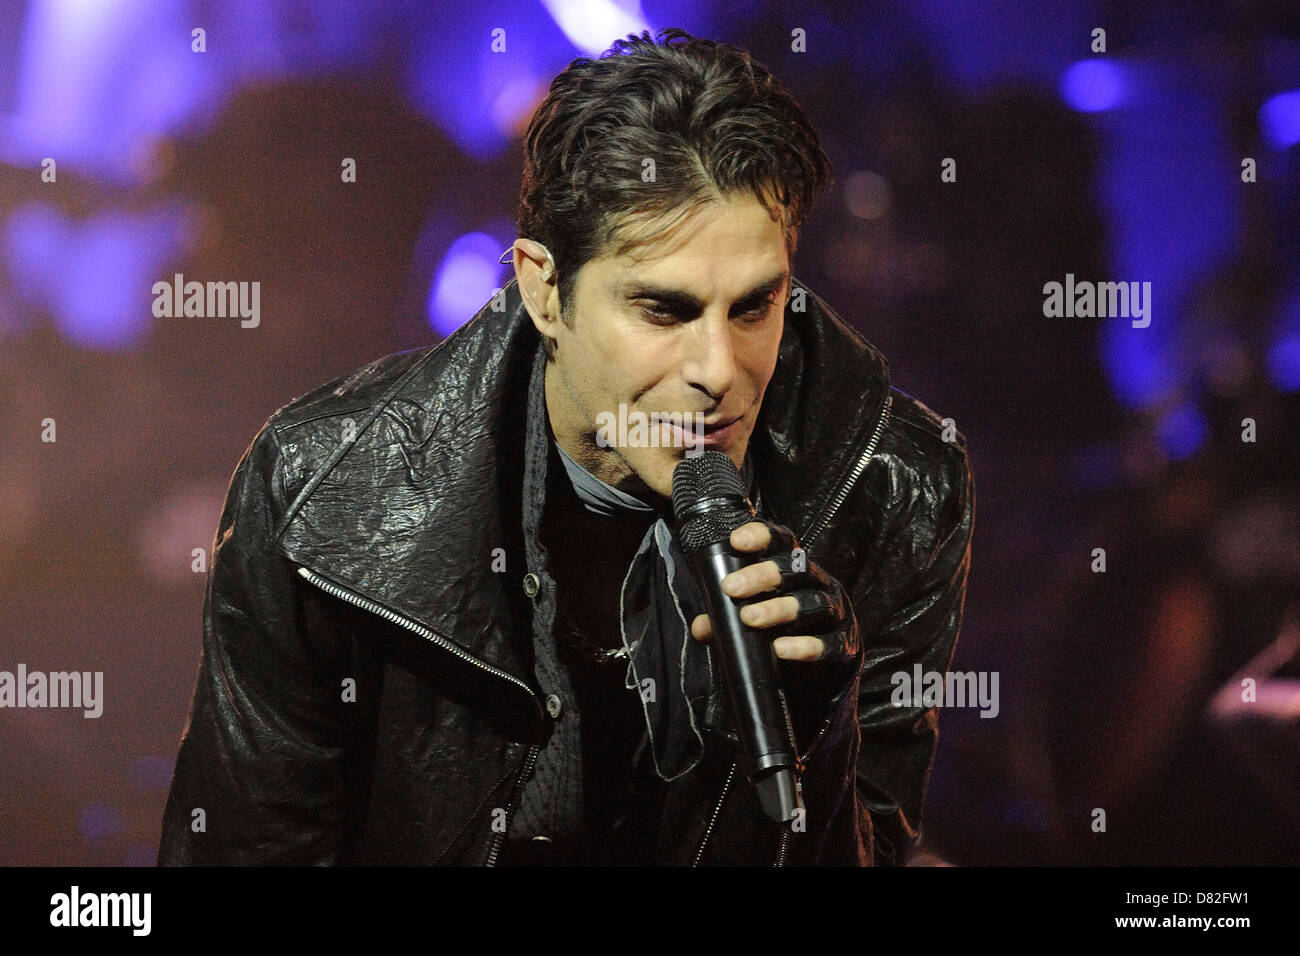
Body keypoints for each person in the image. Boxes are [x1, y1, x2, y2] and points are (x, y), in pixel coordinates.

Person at [157, 27, 974, 866]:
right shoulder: (324, 489)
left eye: (755, 307)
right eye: (664, 310)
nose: (718, 371)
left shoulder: (898, 486)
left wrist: (814, 734)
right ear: (544, 289)